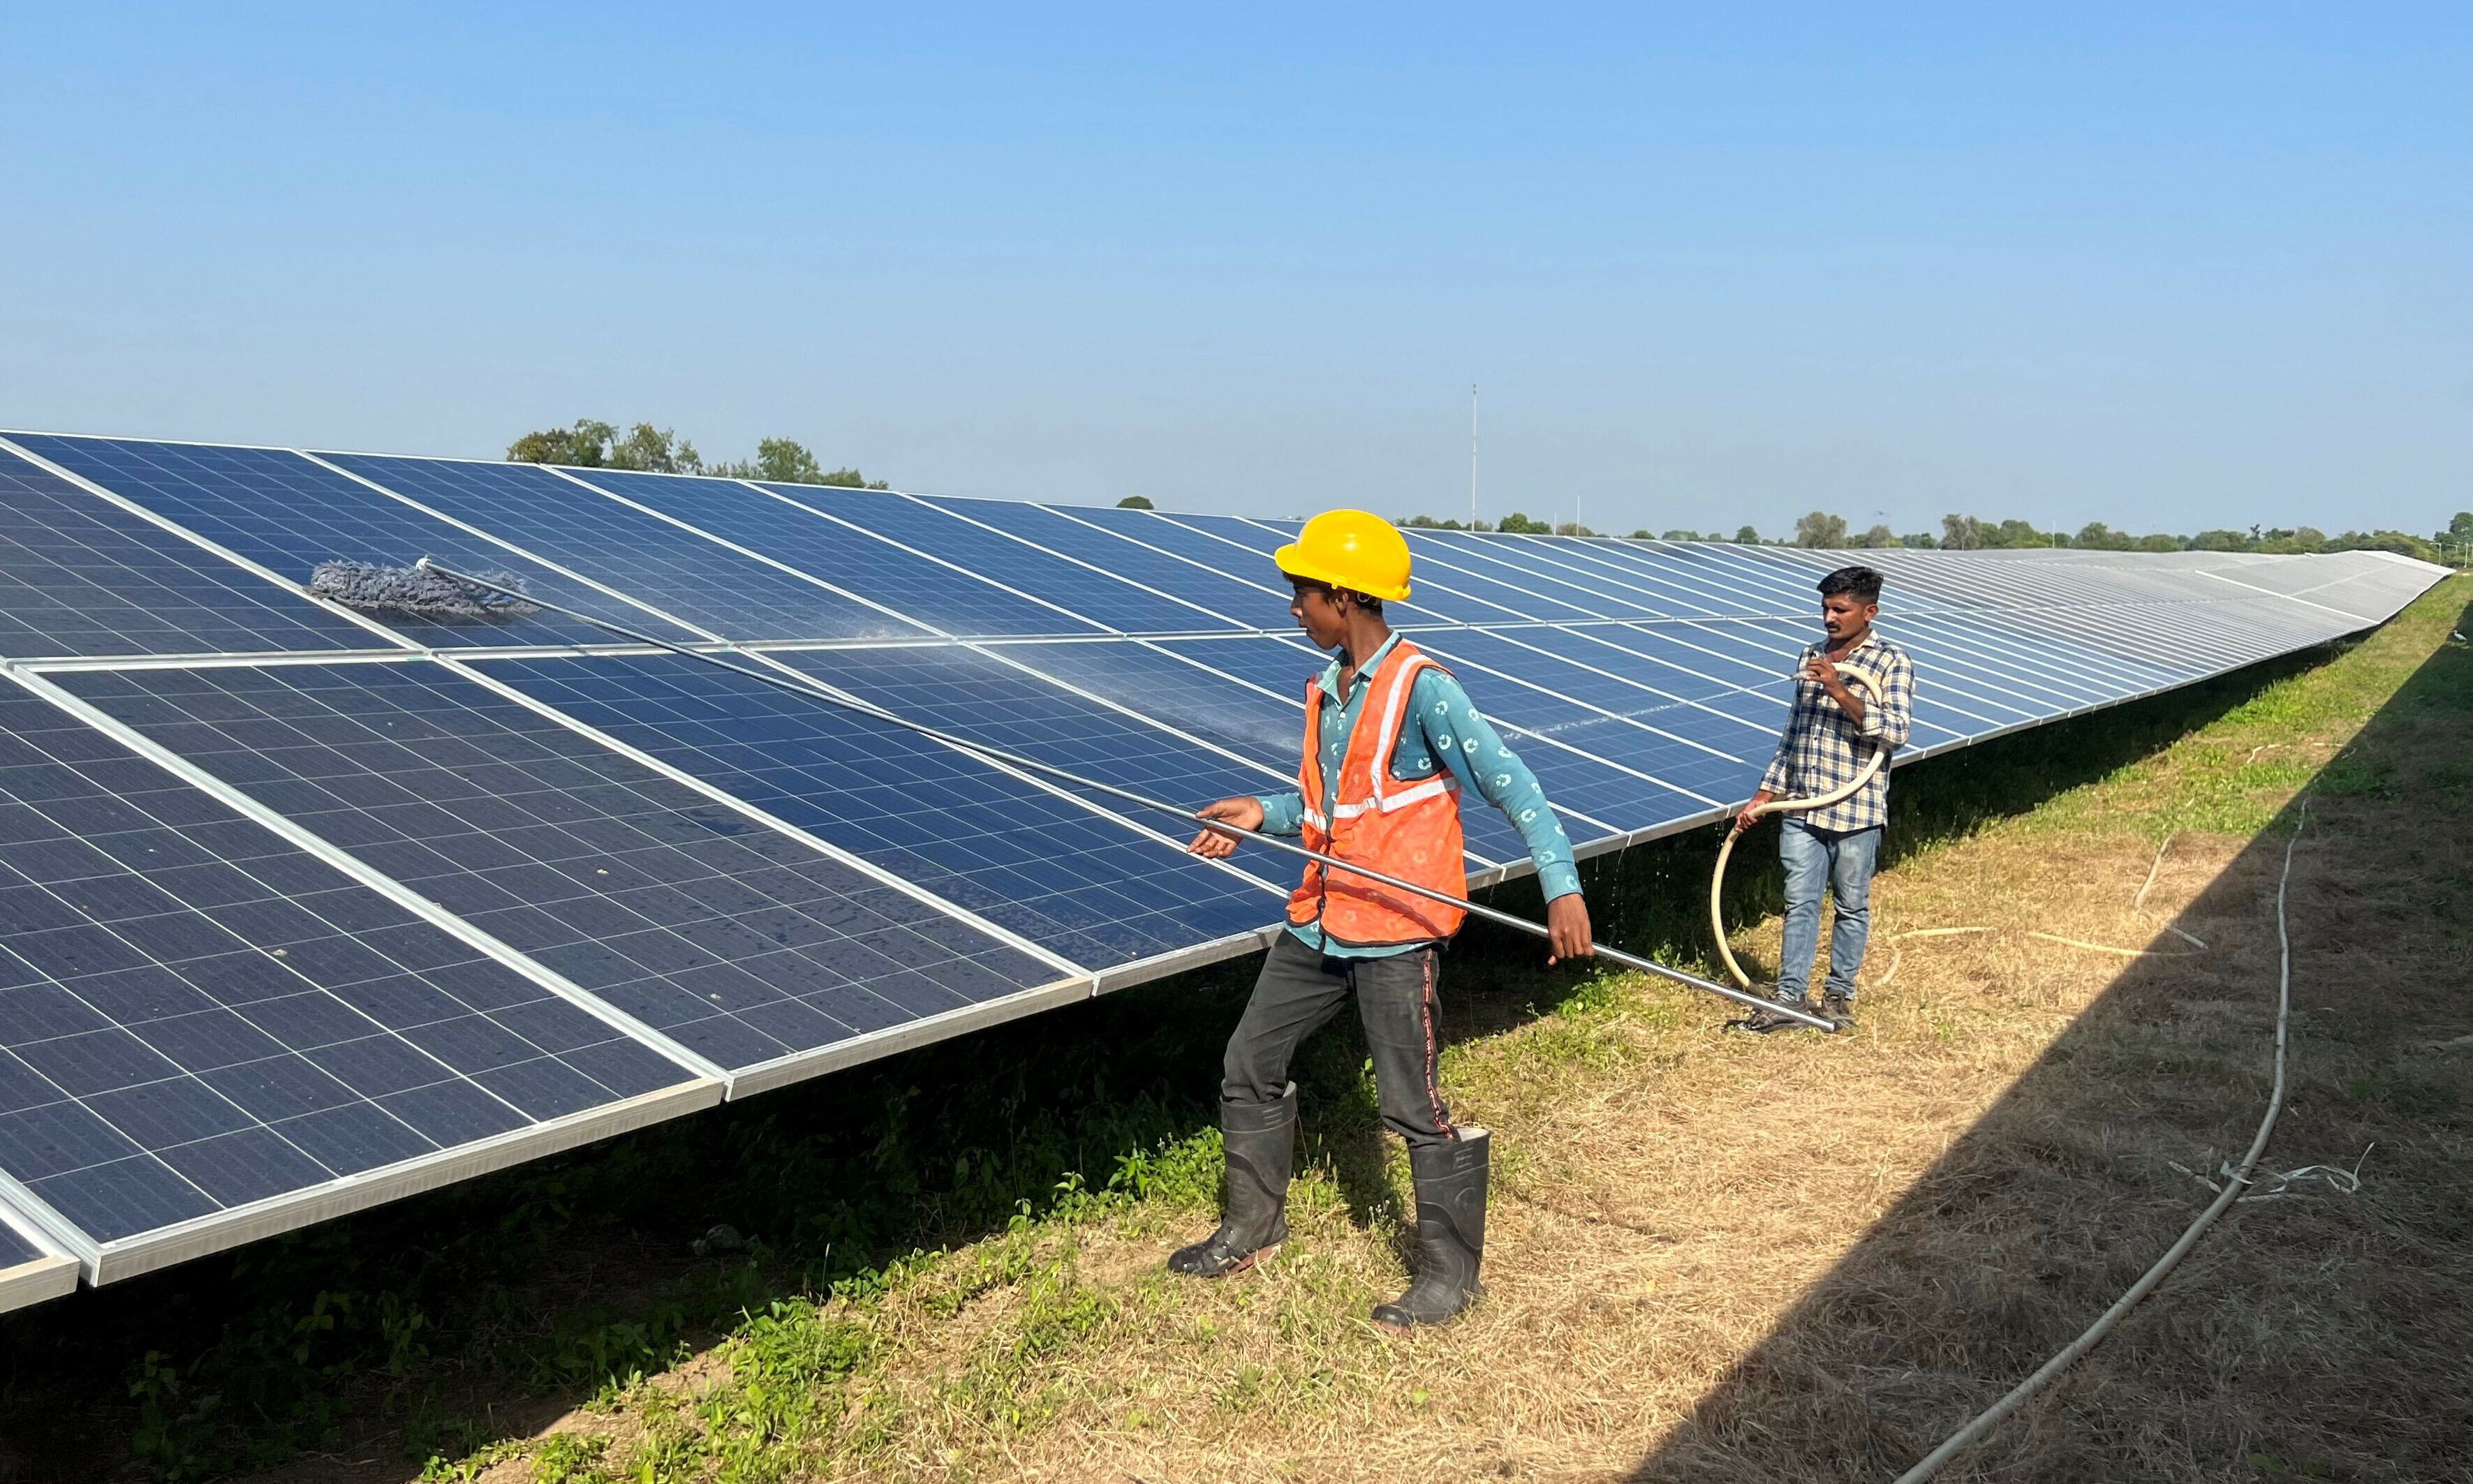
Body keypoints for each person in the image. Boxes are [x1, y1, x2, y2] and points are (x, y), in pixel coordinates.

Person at [1174, 510, 1592, 1332]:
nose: (1292, 606)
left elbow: (1514, 786)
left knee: (1411, 1103)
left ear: (1342, 595)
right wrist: (1262, 811)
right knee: (1247, 1061)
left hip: (1397, 931)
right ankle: (1253, 1225)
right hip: (1320, 919)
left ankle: (1447, 1275)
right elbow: (1339, 806)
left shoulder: (1423, 688)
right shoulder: (1329, 690)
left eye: (1301, 592)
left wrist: (1561, 886)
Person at [1731, 564, 1914, 1032]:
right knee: (1800, 903)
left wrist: (1837, 687)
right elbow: (1794, 733)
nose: (1829, 618)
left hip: (1857, 809)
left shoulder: (1891, 661)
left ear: (1870, 611)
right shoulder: (1810, 654)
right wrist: (1764, 796)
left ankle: (1838, 996)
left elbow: (1896, 732)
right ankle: (1790, 998)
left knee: (1851, 906)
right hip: (1802, 805)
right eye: (1825, 608)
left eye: (1841, 609)